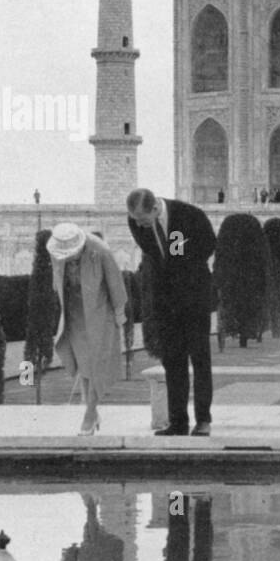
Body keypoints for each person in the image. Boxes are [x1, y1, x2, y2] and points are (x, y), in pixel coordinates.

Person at [127, 187, 216, 437]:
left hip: (194, 298)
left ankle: (203, 420)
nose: (140, 225)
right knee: (173, 362)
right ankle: (178, 422)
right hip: (165, 302)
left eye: (143, 220)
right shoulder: (135, 221)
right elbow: (154, 255)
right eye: (137, 221)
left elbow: (209, 244)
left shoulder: (189, 215)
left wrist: (185, 265)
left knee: (199, 359)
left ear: (155, 208)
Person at [47, 222, 128, 436]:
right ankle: (90, 408)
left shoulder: (99, 249)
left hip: (99, 311)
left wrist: (120, 313)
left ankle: (90, 414)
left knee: (97, 362)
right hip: (75, 312)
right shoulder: (56, 251)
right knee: (84, 363)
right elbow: (58, 281)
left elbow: (115, 283)